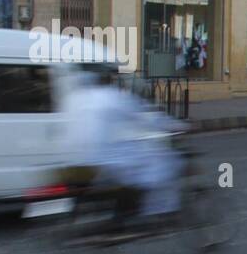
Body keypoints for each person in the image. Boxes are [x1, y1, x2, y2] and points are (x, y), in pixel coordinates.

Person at [65, 69, 185, 221]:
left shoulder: (75, 100)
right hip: (105, 159)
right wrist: (178, 126)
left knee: (134, 154)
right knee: (164, 163)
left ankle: (131, 206)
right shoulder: (112, 98)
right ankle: (158, 210)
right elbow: (145, 117)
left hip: (78, 158)